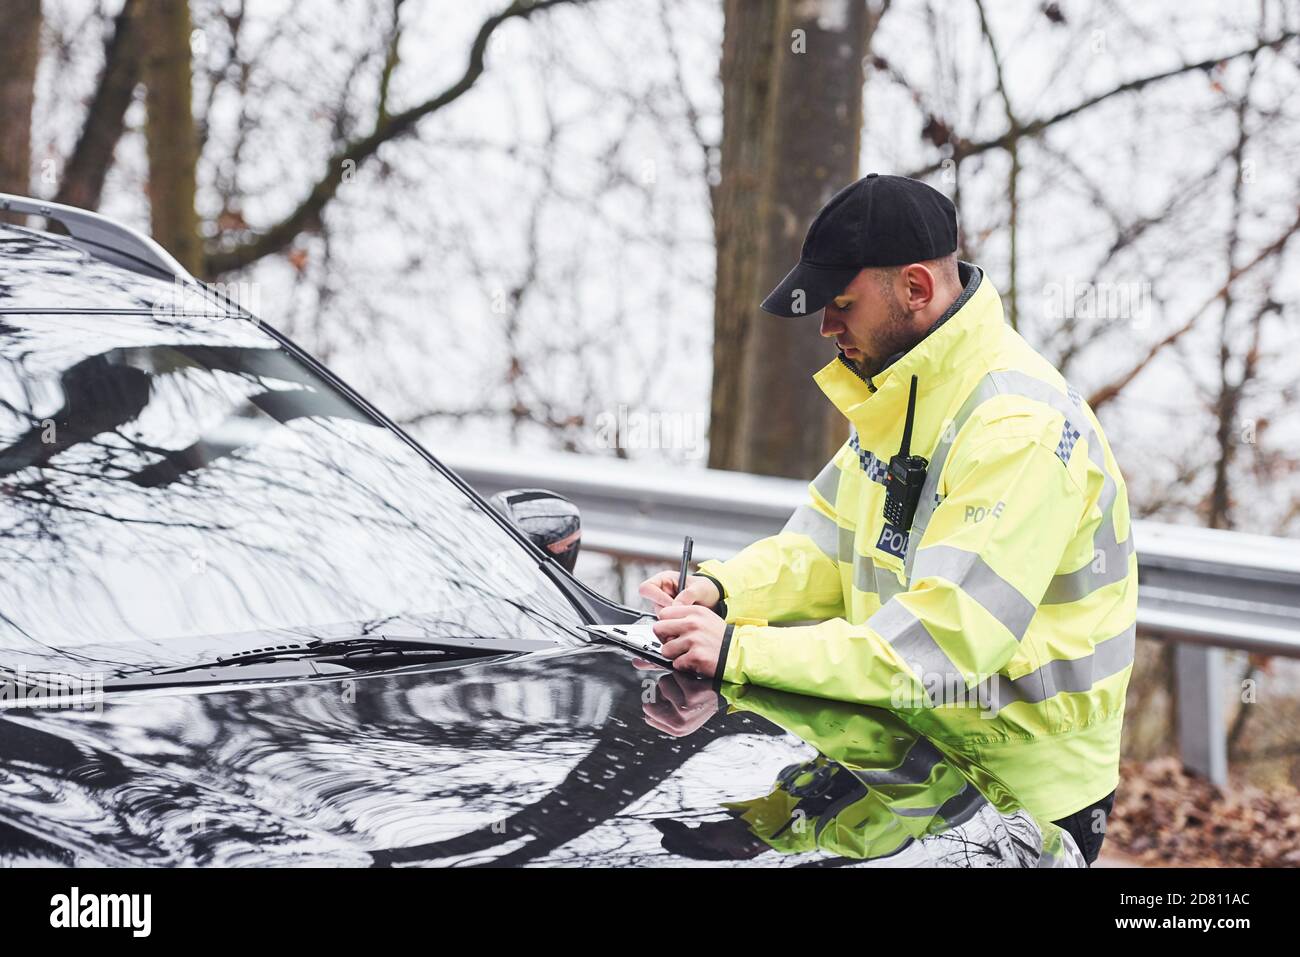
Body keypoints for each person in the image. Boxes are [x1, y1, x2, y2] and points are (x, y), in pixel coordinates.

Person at [637, 173, 1136, 865]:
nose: (826, 326)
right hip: (910, 761)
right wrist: (724, 592)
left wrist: (737, 650)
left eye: (842, 303)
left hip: (1019, 799)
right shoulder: (902, 393)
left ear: (916, 289)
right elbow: (824, 549)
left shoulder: (1014, 427)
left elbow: (935, 648)